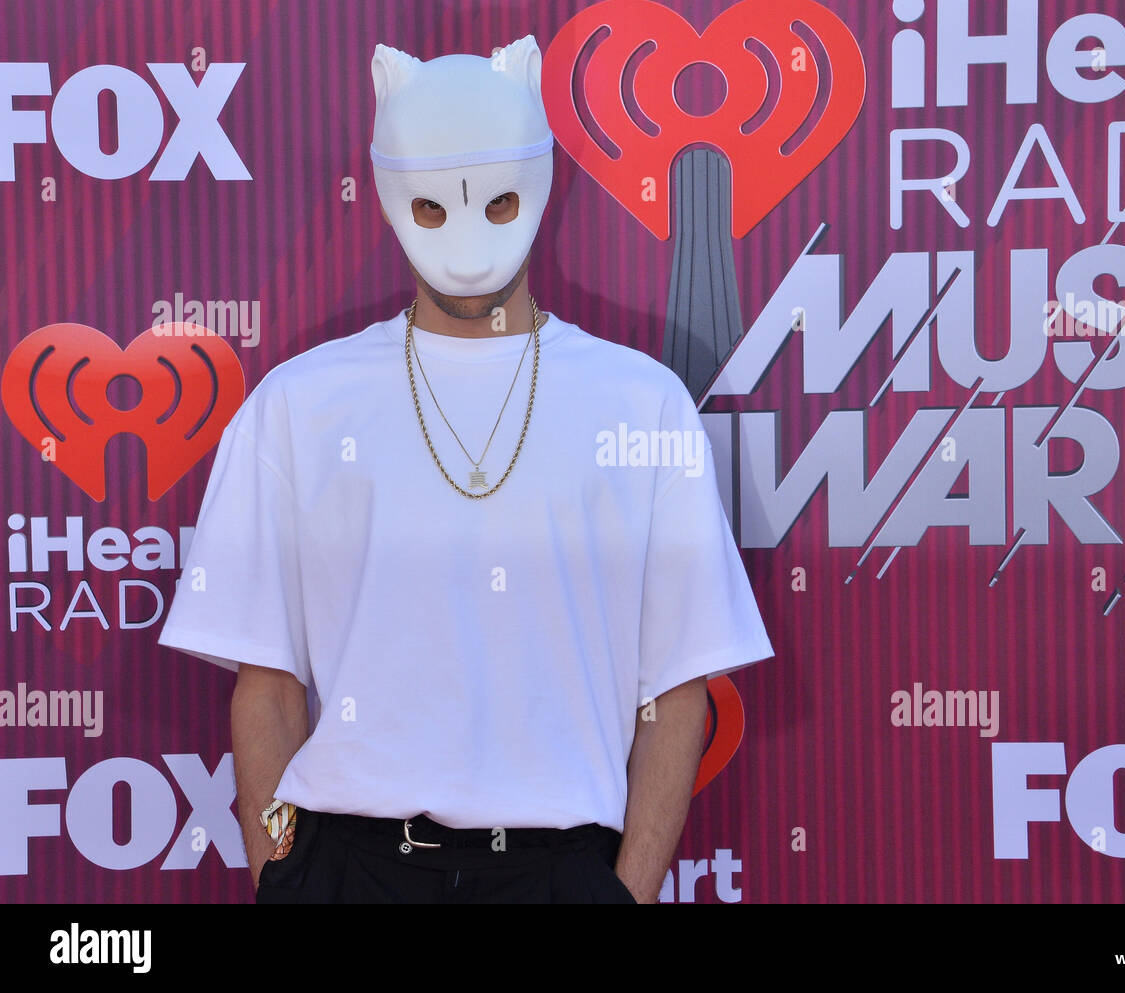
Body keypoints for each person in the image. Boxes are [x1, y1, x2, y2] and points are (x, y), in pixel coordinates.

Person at [157, 34, 774, 904]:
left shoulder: (643, 406)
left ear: (539, 183)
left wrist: (624, 894)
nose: (469, 246)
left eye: (498, 199)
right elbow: (268, 684)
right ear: (389, 195)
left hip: (559, 869)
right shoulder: (298, 405)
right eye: (432, 207)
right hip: (348, 865)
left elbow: (678, 687)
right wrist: (283, 881)